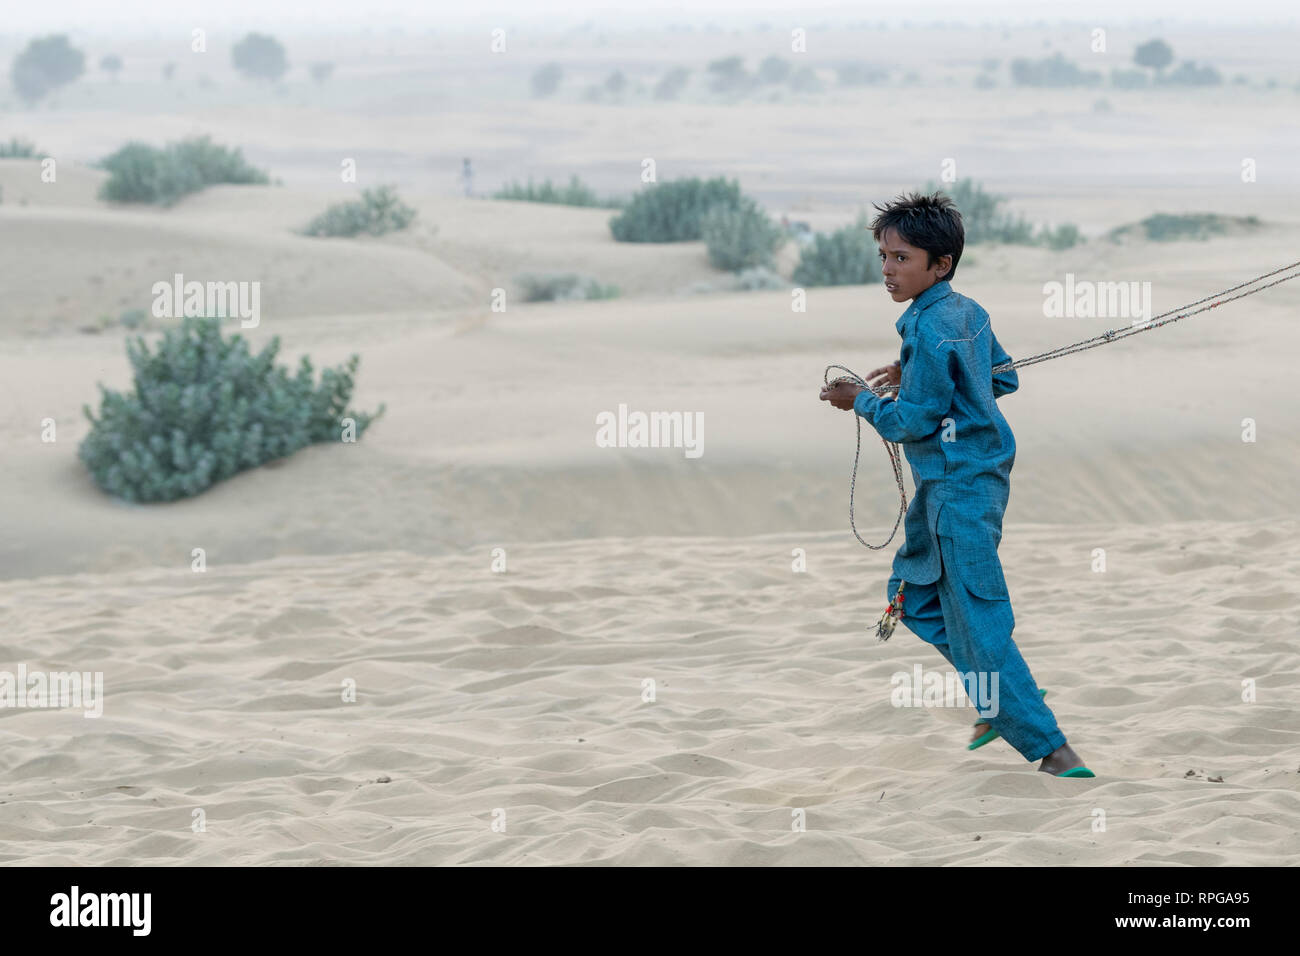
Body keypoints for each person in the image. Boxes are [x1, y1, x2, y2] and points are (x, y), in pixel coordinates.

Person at [819, 190, 1094, 778]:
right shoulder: (964, 311)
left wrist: (860, 400)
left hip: (957, 488)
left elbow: (911, 421)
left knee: (977, 611)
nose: (889, 270)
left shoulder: (936, 324)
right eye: (884, 257)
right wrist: (914, 371)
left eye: (902, 258)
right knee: (915, 598)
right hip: (964, 480)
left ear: (940, 264)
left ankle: (1052, 749)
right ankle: (997, 696)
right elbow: (1004, 378)